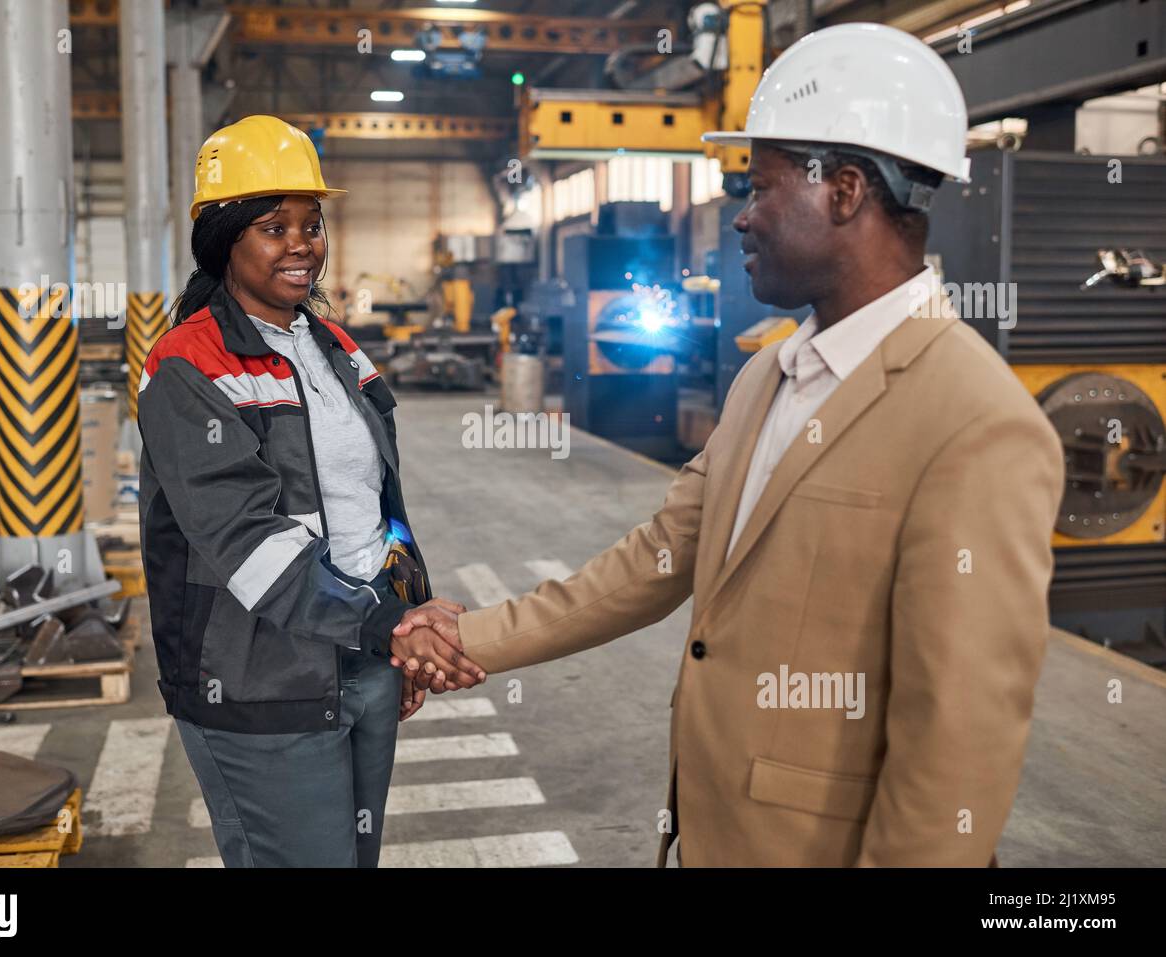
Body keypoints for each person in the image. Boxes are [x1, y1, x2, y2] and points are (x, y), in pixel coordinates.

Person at [397, 24, 1065, 867]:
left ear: (845, 190)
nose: (742, 216)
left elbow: (960, 732)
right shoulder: (768, 376)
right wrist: (472, 636)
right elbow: (657, 557)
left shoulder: (977, 424)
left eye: (761, 186)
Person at [137, 115, 481, 868]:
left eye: (312, 224)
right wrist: (388, 626)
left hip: (364, 662)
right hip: (259, 684)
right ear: (224, 238)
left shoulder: (335, 348)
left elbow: (378, 503)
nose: (302, 243)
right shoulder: (187, 367)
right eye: (273, 225)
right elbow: (248, 541)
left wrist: (407, 606)